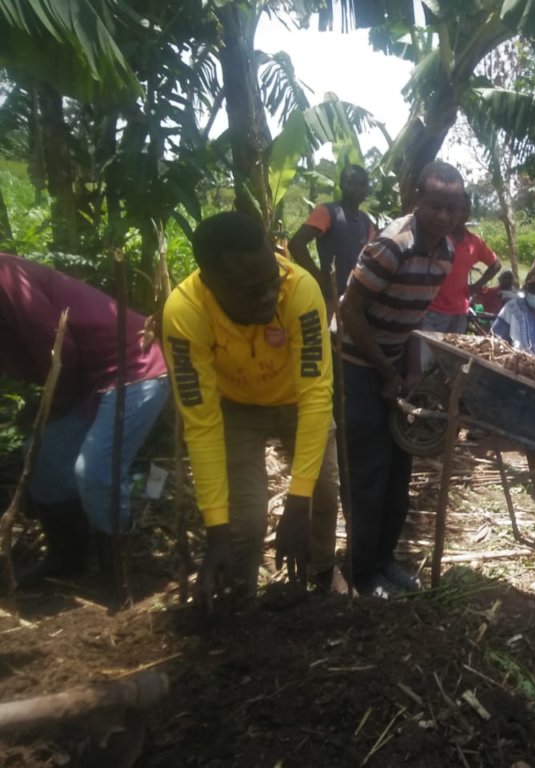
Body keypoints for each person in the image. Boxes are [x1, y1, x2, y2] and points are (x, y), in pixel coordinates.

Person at [162, 212, 340, 603]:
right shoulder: (184, 313)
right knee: (243, 519)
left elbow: (315, 396)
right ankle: (238, 597)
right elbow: (202, 423)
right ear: (212, 283)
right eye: (252, 290)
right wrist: (215, 532)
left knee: (323, 496)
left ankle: (321, 581)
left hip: (297, 400)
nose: (269, 297)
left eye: (271, 282)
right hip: (237, 407)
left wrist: (298, 502)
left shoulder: (299, 290)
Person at [0, 253, 169, 586]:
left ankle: (116, 567)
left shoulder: (4, 276)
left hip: (135, 366)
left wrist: (55, 405)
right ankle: (66, 556)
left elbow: (57, 348)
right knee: (42, 455)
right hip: (87, 376)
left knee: (95, 470)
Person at [338, 160, 465, 599]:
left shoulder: (445, 252)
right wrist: (386, 373)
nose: (444, 217)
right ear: (417, 199)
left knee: (398, 468)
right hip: (355, 365)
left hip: (391, 365)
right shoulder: (394, 245)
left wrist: (411, 372)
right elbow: (348, 311)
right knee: (368, 472)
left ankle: (384, 558)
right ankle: (360, 571)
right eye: (435, 206)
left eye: (451, 208)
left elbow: (415, 320)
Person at [288, 164, 375, 304]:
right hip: (330, 298)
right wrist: (319, 279)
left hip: (354, 298)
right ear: (341, 185)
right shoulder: (328, 212)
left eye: (362, 185)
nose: (357, 189)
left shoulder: (366, 221)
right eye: (352, 184)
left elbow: (371, 256)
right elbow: (296, 244)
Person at [422, 193, 501, 333]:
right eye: (456, 209)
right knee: (430, 352)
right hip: (433, 309)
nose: (460, 214)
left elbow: (496, 265)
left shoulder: (474, 242)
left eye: (465, 209)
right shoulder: (438, 238)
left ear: (469, 212)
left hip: (460, 312)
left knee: (453, 353)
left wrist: (476, 286)